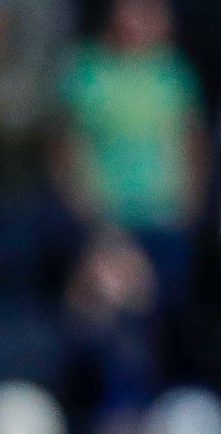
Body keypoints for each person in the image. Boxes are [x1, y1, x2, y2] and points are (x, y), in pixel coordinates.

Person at [58, 0, 205, 292]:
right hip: (104, 217)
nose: (141, 18)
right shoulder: (87, 69)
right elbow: (65, 145)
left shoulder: (175, 73)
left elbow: (192, 140)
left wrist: (190, 204)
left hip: (164, 215)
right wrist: (81, 206)